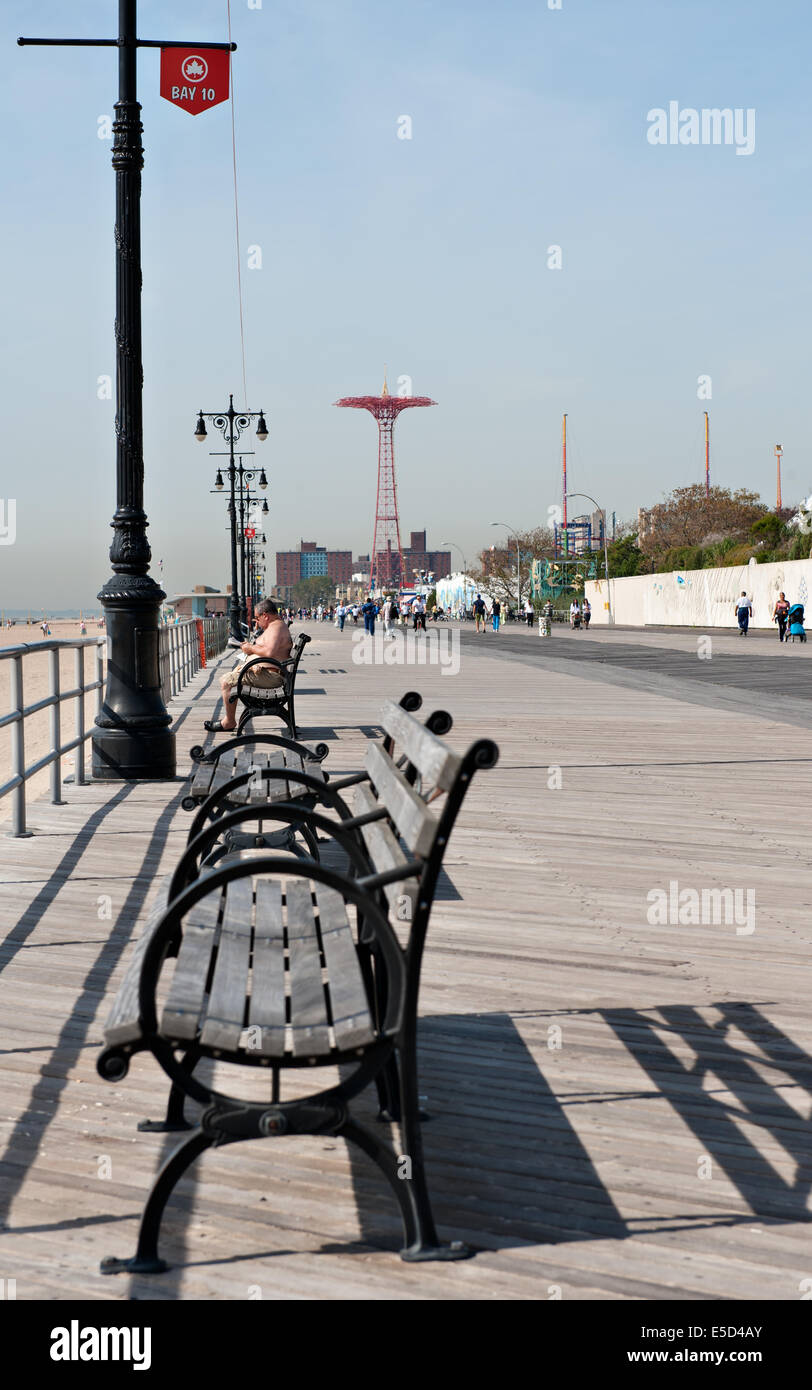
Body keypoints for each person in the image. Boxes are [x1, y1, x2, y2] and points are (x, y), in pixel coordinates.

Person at [204, 599, 291, 733]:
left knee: (226, 682)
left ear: (265, 616)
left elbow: (269, 652)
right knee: (228, 679)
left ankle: (229, 722)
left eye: (257, 618)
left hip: (271, 678)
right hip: (267, 674)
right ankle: (229, 720)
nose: (256, 621)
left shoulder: (276, 627)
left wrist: (250, 648)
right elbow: (268, 650)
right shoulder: (274, 626)